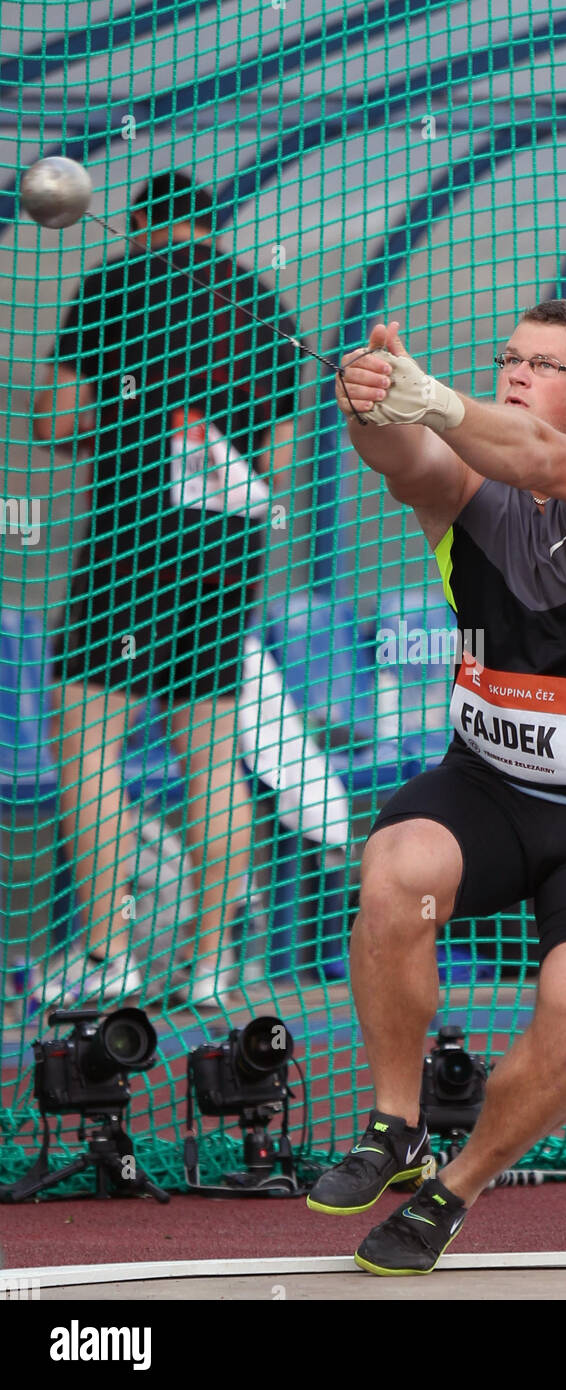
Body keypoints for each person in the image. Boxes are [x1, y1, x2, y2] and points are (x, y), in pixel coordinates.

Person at [306, 299, 566, 1274]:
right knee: (398, 867)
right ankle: (394, 1128)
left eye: (543, 363)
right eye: (508, 358)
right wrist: (370, 403)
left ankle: (455, 1187)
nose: (518, 371)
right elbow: (404, 460)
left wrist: (431, 397)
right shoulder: (471, 492)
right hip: (487, 792)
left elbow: (545, 459)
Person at [33, 170, 298, 1007]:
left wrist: (125, 423)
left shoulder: (116, 282)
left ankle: (111, 952)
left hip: (132, 546)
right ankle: (214, 963)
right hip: (227, 556)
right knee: (215, 758)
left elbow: (54, 420)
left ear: (143, 221)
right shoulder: (263, 303)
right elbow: (283, 460)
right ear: (209, 226)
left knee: (87, 745)